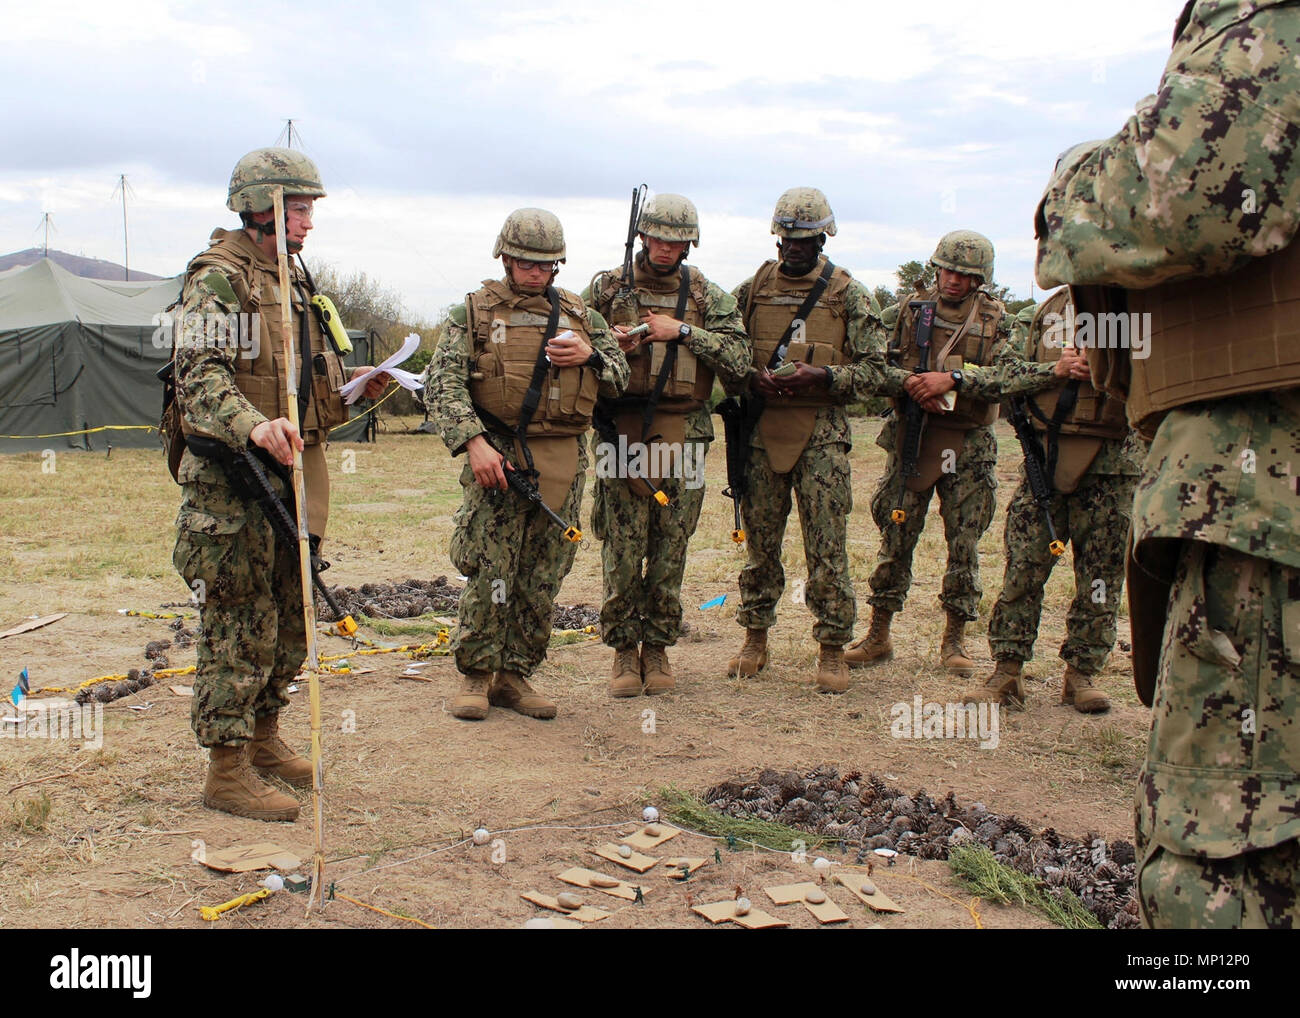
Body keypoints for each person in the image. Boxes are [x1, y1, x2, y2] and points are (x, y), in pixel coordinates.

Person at [1036, 0, 1300, 927]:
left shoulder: (1266, 21)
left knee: (1223, 850)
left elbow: (1188, 188)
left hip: (1261, 490)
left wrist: (1066, 183)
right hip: (1219, 482)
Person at [173, 147, 387, 821]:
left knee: (292, 616)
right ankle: (226, 769)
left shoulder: (293, 277)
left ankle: (265, 740)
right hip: (235, 477)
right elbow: (198, 377)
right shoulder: (219, 277)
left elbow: (302, 381)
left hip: (299, 470)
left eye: (311, 209)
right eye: (299, 208)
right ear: (263, 206)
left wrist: (354, 391)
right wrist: (253, 424)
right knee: (240, 622)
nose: (309, 223)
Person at [431, 209, 628, 720]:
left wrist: (589, 356)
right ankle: (476, 674)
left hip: (564, 456)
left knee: (543, 573)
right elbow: (442, 384)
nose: (534, 273)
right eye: (523, 262)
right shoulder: (472, 312)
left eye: (544, 265)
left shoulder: (582, 316)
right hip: (498, 455)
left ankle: (516, 674)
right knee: (491, 567)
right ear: (504, 257)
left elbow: (621, 376)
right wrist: (473, 443)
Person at [583, 193, 750, 696]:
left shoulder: (707, 295)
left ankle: (656, 648)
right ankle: (622, 653)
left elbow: (740, 360)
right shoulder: (607, 287)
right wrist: (610, 344)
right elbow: (569, 342)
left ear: (689, 244)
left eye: (676, 241)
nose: (664, 247)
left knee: (671, 543)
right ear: (641, 235)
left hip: (688, 433)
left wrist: (682, 332)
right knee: (621, 543)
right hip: (620, 429)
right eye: (656, 237)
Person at [728, 187, 885, 693]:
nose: (795, 247)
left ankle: (833, 648)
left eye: (806, 239)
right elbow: (725, 352)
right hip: (761, 435)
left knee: (826, 548)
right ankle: (755, 638)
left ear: (823, 238)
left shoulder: (849, 293)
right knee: (760, 546)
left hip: (822, 436)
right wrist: (752, 379)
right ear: (777, 238)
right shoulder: (751, 290)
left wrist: (823, 378)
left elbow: (878, 372)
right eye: (788, 238)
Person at [963, 288, 1141, 712]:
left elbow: (1165, 376)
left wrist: (1107, 369)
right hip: (1044, 460)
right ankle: (1006, 671)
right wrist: (1054, 369)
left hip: (1112, 467)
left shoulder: (1138, 309)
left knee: (1100, 580)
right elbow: (998, 377)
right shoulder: (1038, 315)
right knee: (1022, 571)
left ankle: (1081, 675)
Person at [849, 231, 1015, 676]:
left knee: (964, 544)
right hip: (915, 437)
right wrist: (907, 383)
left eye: (965, 274)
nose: (954, 280)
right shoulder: (909, 310)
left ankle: (955, 641)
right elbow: (871, 361)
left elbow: (1012, 375)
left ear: (980, 279)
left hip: (969, 443)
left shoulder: (998, 318)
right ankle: (878, 634)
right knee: (895, 536)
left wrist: (955, 380)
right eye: (948, 269)